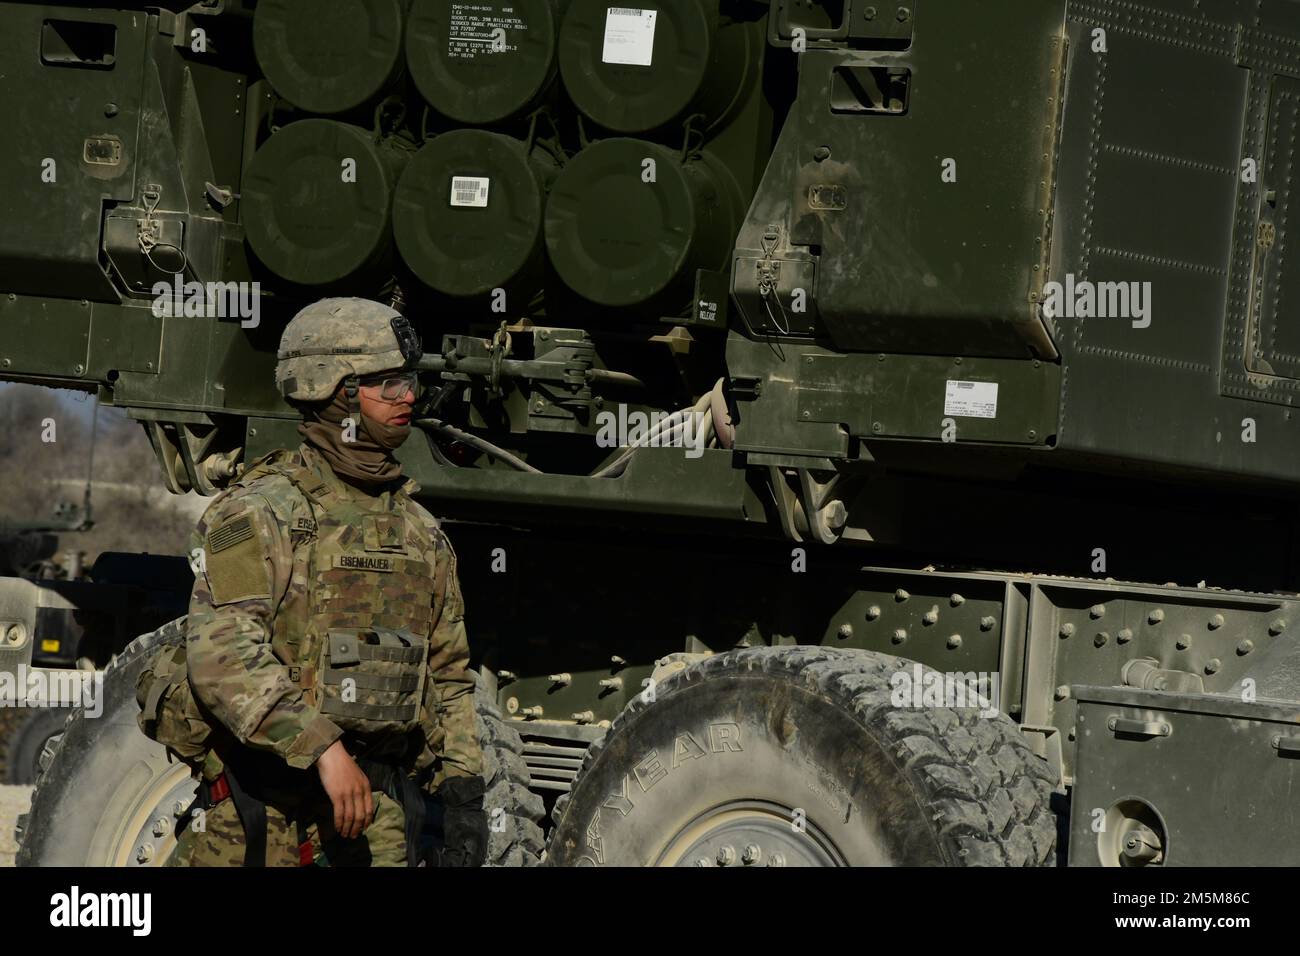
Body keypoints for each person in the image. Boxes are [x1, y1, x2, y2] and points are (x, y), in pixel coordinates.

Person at [167, 297, 486, 867]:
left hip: (377, 822)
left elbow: (450, 677)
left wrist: (462, 794)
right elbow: (223, 657)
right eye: (385, 384)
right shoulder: (257, 514)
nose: (408, 396)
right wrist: (323, 748)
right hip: (262, 818)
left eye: (408, 380)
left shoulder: (420, 532)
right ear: (335, 392)